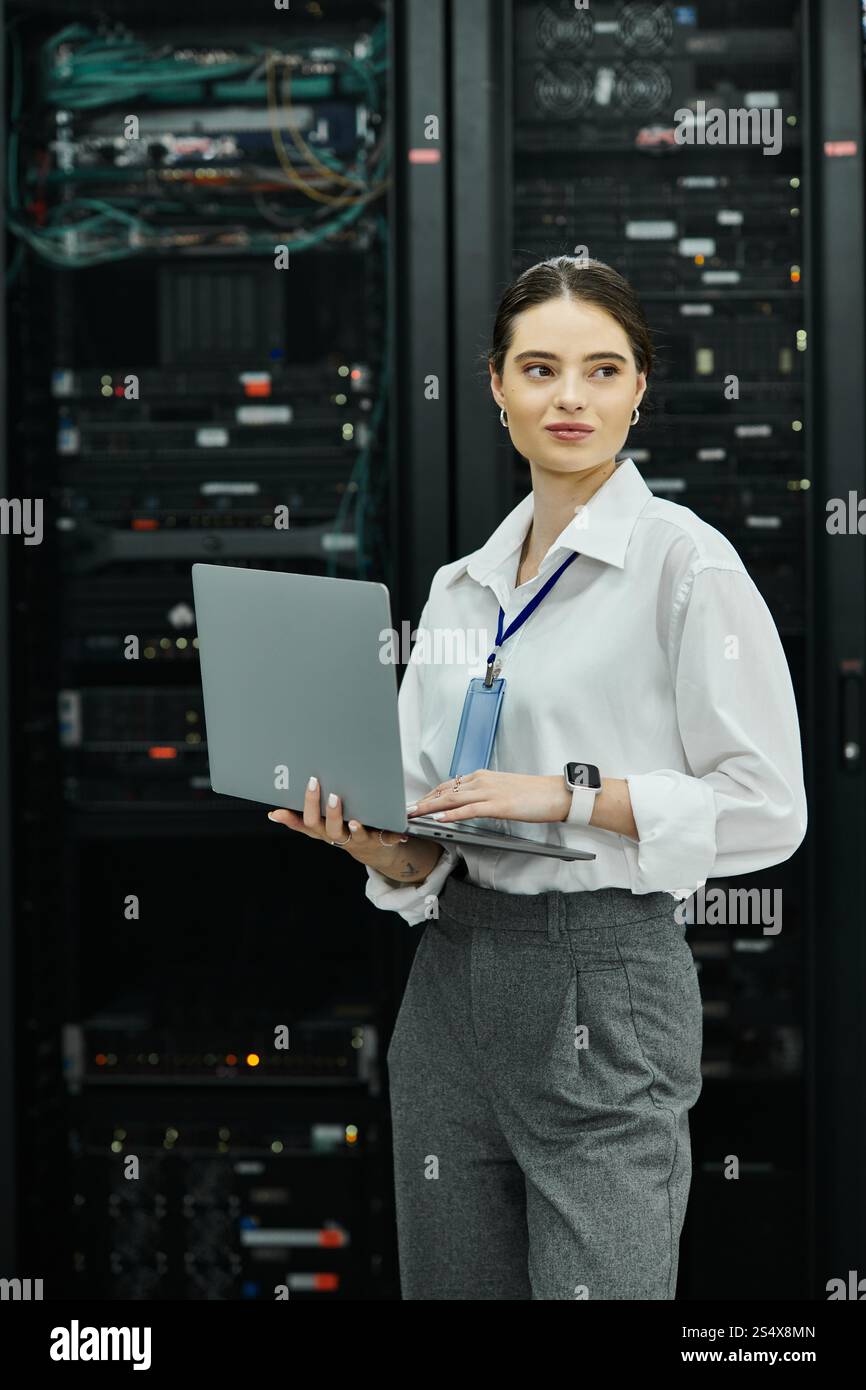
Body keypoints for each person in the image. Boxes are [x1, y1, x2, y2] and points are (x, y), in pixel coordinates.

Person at [267, 256, 808, 1300]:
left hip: (601, 978)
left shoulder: (684, 566)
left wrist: (566, 794)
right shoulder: (461, 588)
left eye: (601, 370)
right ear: (496, 386)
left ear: (639, 388)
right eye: (540, 368)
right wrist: (375, 842)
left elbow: (766, 807)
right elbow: (433, 823)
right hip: (452, 979)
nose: (570, 398)